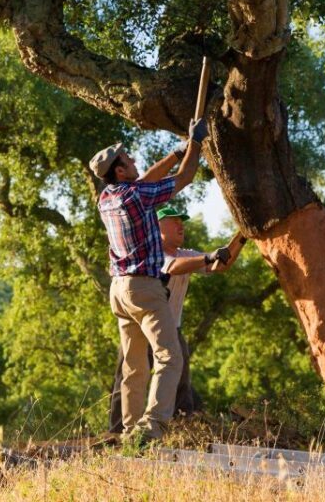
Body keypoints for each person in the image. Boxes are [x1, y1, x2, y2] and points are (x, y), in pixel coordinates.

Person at [89, 118, 213, 445]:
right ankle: (151, 427)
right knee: (170, 358)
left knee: (134, 367)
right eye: (128, 160)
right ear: (119, 171)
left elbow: (147, 178)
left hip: (119, 291)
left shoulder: (108, 198)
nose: (134, 161)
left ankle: (129, 430)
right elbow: (185, 178)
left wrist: (177, 151)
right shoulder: (138, 196)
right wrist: (196, 143)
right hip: (144, 288)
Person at [107, 206, 247, 434]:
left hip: (172, 327)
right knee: (130, 376)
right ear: (156, 226)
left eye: (181, 221)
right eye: (173, 222)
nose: (180, 225)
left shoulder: (186, 254)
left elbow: (221, 265)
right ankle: (117, 433)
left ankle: (180, 429)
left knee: (180, 379)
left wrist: (242, 235)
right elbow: (172, 266)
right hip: (143, 326)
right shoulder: (151, 254)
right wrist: (207, 256)